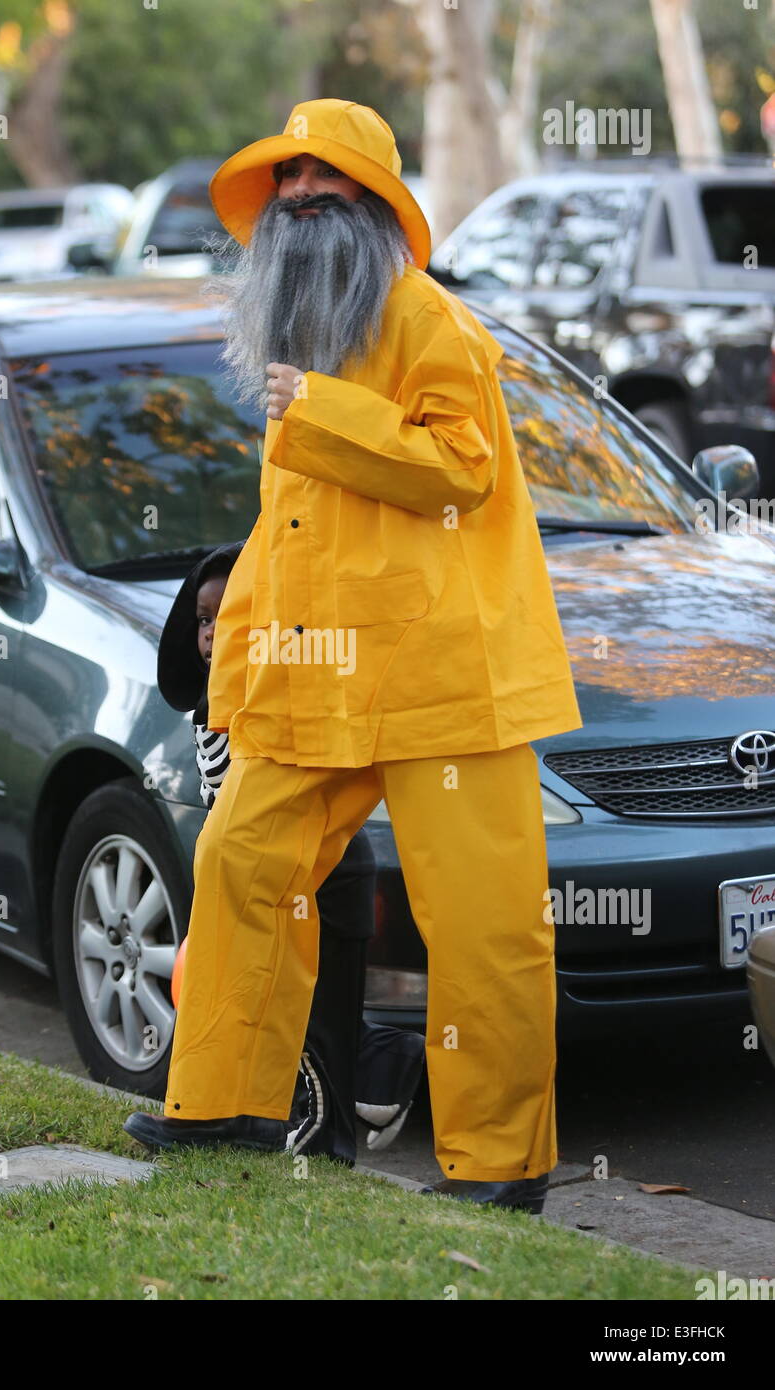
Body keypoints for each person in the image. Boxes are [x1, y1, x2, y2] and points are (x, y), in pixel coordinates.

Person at [125, 98, 583, 1215]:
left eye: (322, 183)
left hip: (444, 679)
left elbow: (460, 467)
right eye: (284, 184)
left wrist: (323, 410)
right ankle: (226, 1107)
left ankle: (497, 1168)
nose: (298, 199)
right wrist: (240, 662)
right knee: (239, 867)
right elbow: (297, 539)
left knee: (479, 926)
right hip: (310, 679)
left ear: (375, 205)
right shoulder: (303, 337)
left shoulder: (433, 324)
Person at [152, 540, 426, 1165]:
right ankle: (382, 1061)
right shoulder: (212, 704)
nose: (214, 634)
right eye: (203, 620)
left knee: (309, 1022)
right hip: (284, 867)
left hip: (319, 871)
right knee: (293, 1010)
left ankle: (322, 1140)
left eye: (232, 619)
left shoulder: (266, 692)